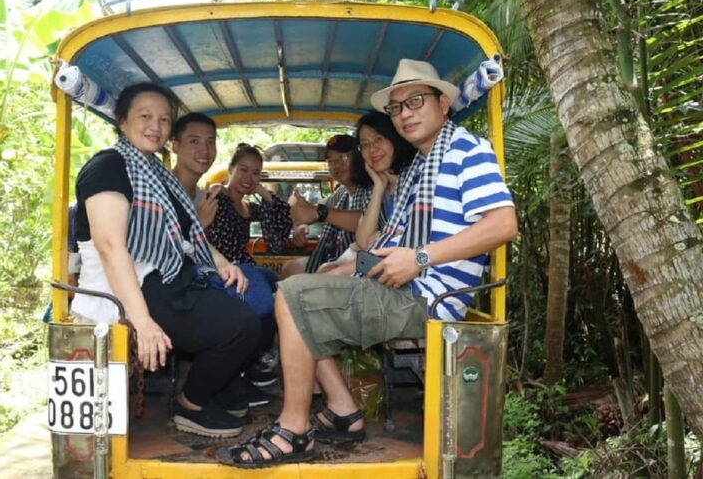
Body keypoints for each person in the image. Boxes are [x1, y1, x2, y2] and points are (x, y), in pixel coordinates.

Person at [217, 59, 518, 466]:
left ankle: (294, 430)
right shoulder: (422, 166)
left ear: (444, 103)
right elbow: (389, 243)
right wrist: (353, 267)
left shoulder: (466, 150)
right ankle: (342, 411)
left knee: (292, 296)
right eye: (397, 107)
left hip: (429, 298)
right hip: (406, 285)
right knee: (297, 293)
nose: (405, 114)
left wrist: (421, 257)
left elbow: (503, 224)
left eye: (416, 101)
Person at [70, 83, 260, 438]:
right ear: (122, 120)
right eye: (145, 116)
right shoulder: (109, 166)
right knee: (240, 325)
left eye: (163, 119)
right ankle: (191, 403)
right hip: (123, 284)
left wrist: (222, 263)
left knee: (250, 309)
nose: (155, 126)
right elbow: (110, 247)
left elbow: (188, 235)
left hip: (164, 276)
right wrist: (142, 321)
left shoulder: (156, 174)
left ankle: (219, 390)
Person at [205, 143, 293, 385]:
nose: (248, 178)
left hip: (246, 268)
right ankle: (248, 362)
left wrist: (261, 190)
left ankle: (253, 360)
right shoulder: (217, 197)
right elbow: (199, 232)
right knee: (266, 291)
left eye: (256, 173)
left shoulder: (246, 206)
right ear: (230, 169)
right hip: (220, 269)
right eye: (243, 170)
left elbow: (282, 220)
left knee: (278, 287)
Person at [320, 111, 416, 276]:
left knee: (325, 277)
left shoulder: (413, 180)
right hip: (380, 264)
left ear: (394, 139)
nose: (372, 149)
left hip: (407, 269)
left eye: (379, 139)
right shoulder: (381, 187)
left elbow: (413, 243)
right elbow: (364, 240)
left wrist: (380, 237)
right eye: (365, 145)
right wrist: (378, 187)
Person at [281, 134, 372, 277]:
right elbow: (312, 209)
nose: (336, 165)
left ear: (358, 158)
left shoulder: (371, 187)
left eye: (343, 158)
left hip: (365, 259)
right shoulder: (342, 193)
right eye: (331, 161)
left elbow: (367, 222)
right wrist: (302, 224)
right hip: (340, 254)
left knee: (324, 271)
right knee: (290, 268)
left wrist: (320, 213)